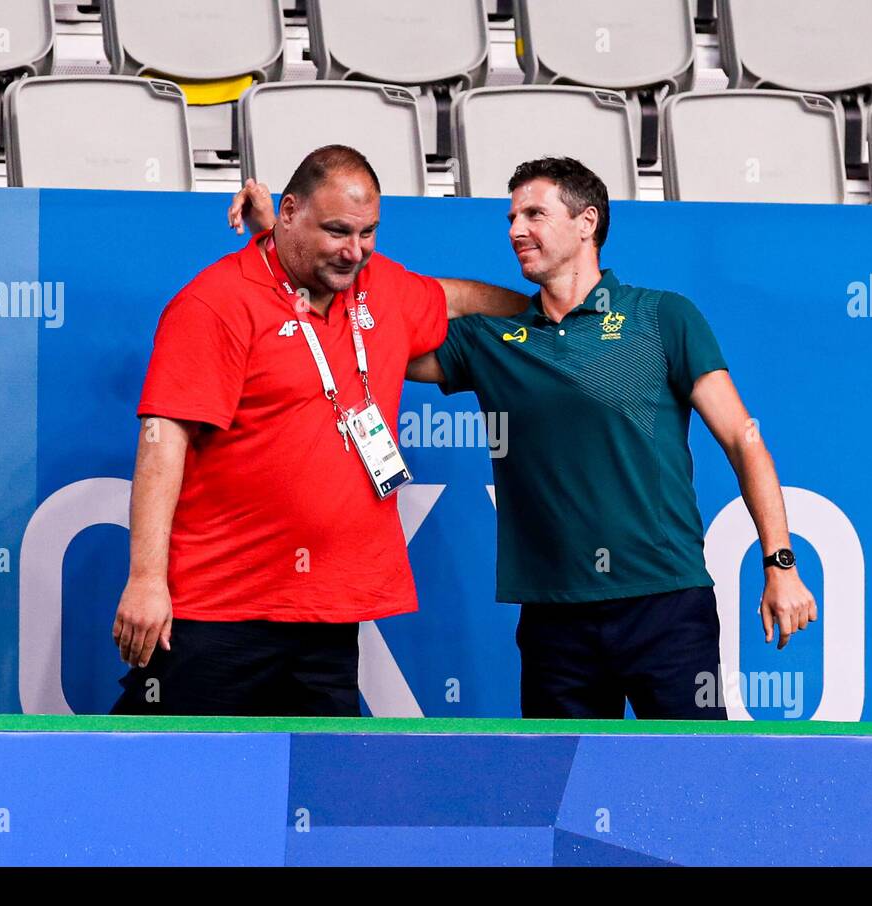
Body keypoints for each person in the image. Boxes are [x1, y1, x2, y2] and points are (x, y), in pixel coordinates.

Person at [111, 145, 524, 716]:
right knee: (170, 788)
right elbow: (163, 441)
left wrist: (544, 317)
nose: (355, 251)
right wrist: (146, 580)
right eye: (336, 231)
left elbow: (457, 300)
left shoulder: (380, 286)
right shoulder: (215, 303)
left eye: (368, 233)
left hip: (329, 617)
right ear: (287, 213)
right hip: (220, 611)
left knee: (312, 794)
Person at [405, 156, 819, 719]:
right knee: (565, 795)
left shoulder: (662, 316)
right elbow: (387, 333)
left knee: (695, 788)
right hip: (555, 618)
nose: (515, 230)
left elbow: (744, 440)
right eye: (510, 218)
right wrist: (501, 303)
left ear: (586, 222)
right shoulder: (492, 341)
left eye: (534, 214)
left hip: (667, 606)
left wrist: (781, 563)